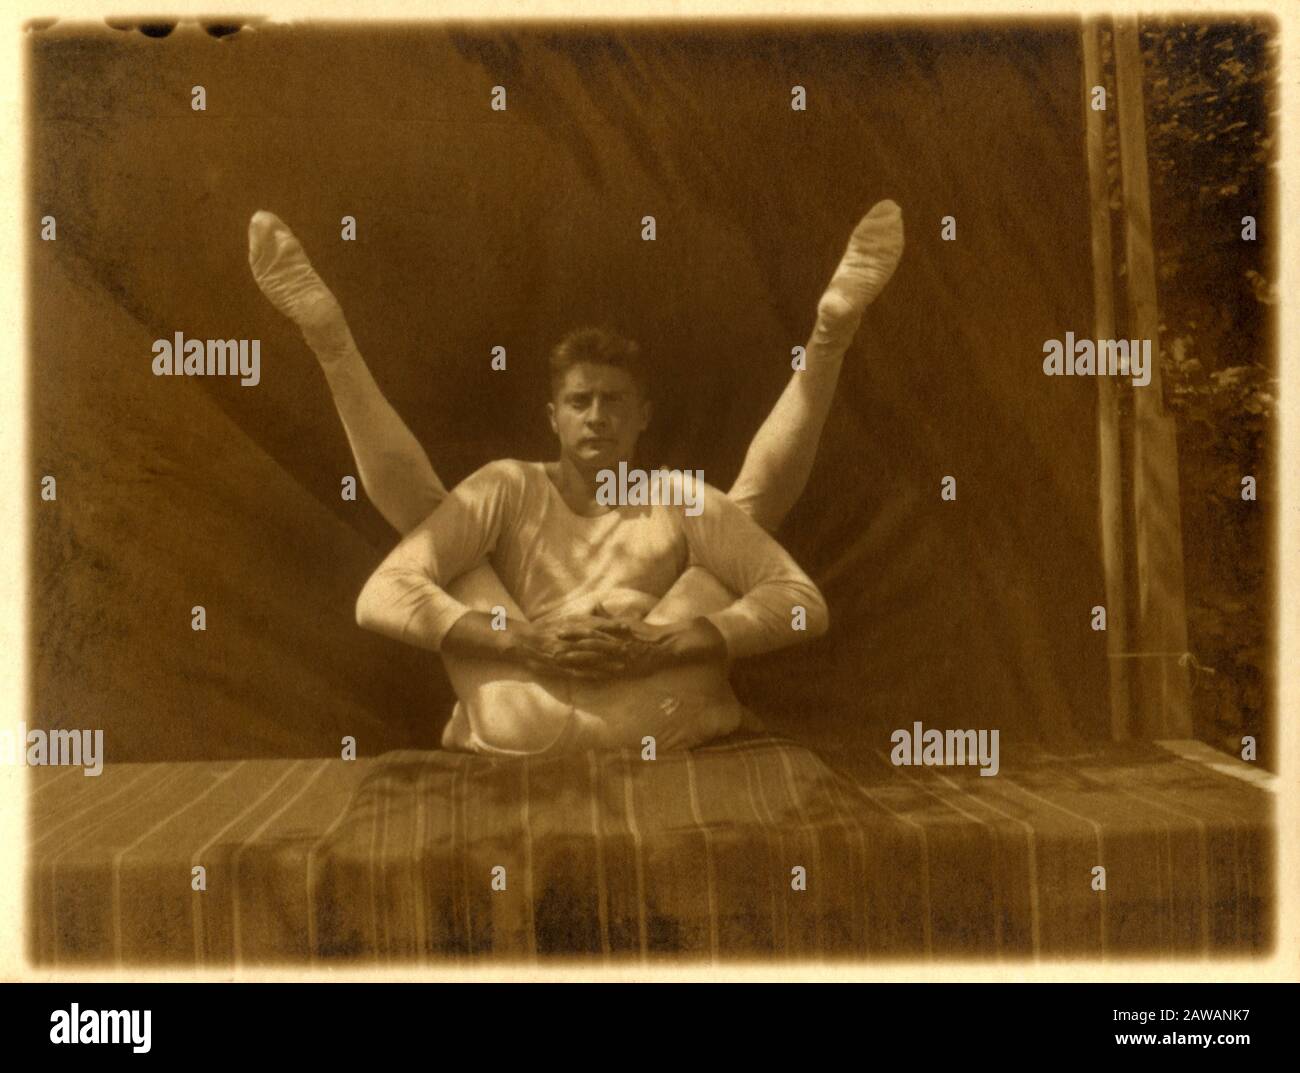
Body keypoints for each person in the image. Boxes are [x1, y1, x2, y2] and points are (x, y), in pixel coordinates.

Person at [248, 200, 904, 754]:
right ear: (553, 417)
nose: (597, 417)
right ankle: (331, 342)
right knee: (451, 543)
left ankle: (828, 337)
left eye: (614, 401)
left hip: (626, 712)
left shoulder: (672, 496)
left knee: (717, 547)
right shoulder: (511, 484)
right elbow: (379, 597)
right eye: (580, 402)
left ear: (643, 416)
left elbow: (804, 604)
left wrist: (665, 641)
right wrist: (527, 641)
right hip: (539, 705)